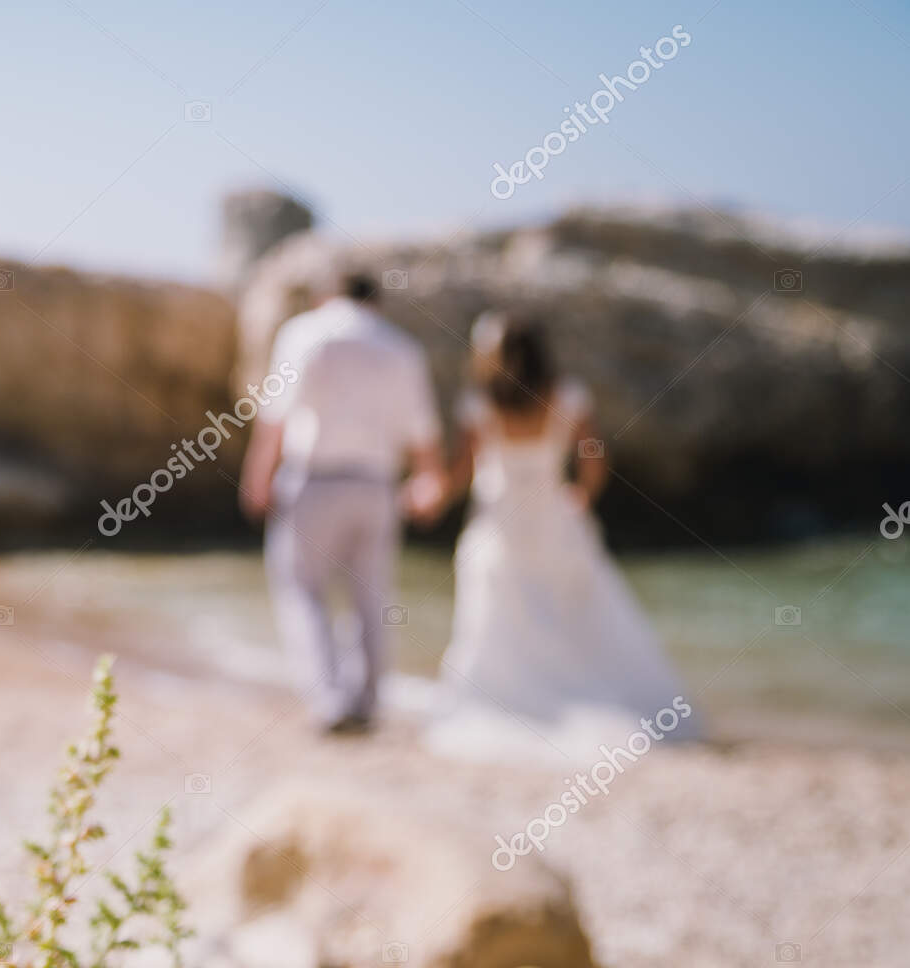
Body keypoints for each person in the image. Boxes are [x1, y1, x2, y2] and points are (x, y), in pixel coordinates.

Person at [427, 311, 688, 743]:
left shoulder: (480, 403)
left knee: (500, 614)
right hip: (553, 518)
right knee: (571, 615)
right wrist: (581, 495)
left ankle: (511, 703)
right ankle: (580, 698)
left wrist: (431, 492)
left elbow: (461, 471)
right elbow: (595, 460)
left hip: (500, 519)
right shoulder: (567, 395)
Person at [239, 271, 446, 733]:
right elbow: (425, 437)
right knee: (371, 598)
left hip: (315, 480)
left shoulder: (304, 332)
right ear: (377, 302)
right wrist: (430, 481)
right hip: (377, 486)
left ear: (327, 296)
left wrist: (258, 477)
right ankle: (368, 705)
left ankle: (330, 702)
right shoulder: (402, 348)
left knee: (302, 589)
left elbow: (275, 415)